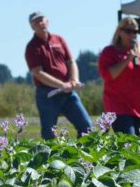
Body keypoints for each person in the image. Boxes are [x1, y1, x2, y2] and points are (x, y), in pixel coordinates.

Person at [25, 11, 92, 139]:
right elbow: (38, 73)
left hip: (68, 92)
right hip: (47, 94)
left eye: (42, 20)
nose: (40, 23)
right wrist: (61, 85)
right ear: (32, 27)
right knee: (49, 133)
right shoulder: (32, 47)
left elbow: (71, 61)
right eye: (36, 22)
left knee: (86, 126)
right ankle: (51, 153)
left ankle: (83, 151)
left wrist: (74, 79)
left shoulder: (59, 39)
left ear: (47, 22)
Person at [99, 16, 140, 135]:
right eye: (128, 31)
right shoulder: (109, 52)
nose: (132, 35)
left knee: (139, 144)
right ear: (120, 32)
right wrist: (128, 59)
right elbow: (107, 75)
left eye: (135, 32)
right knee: (129, 142)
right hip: (118, 108)